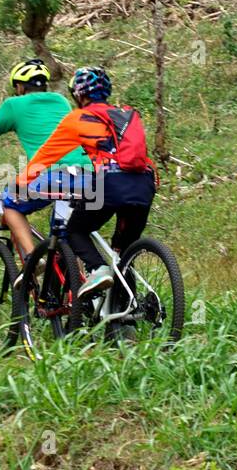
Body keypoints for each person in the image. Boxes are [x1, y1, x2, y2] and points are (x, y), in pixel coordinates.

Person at [14, 66, 157, 299]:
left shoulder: (77, 118)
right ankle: (125, 316)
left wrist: (21, 183)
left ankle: (97, 269)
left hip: (109, 185)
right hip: (143, 185)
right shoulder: (127, 115)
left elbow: (45, 157)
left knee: (75, 230)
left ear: (79, 95)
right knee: (123, 254)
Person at [0, 58, 93, 259]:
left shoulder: (13, 105)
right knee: (62, 245)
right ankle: (75, 283)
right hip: (88, 175)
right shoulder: (61, 101)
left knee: (10, 204)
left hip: (53, 174)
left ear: (20, 86)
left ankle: (33, 259)